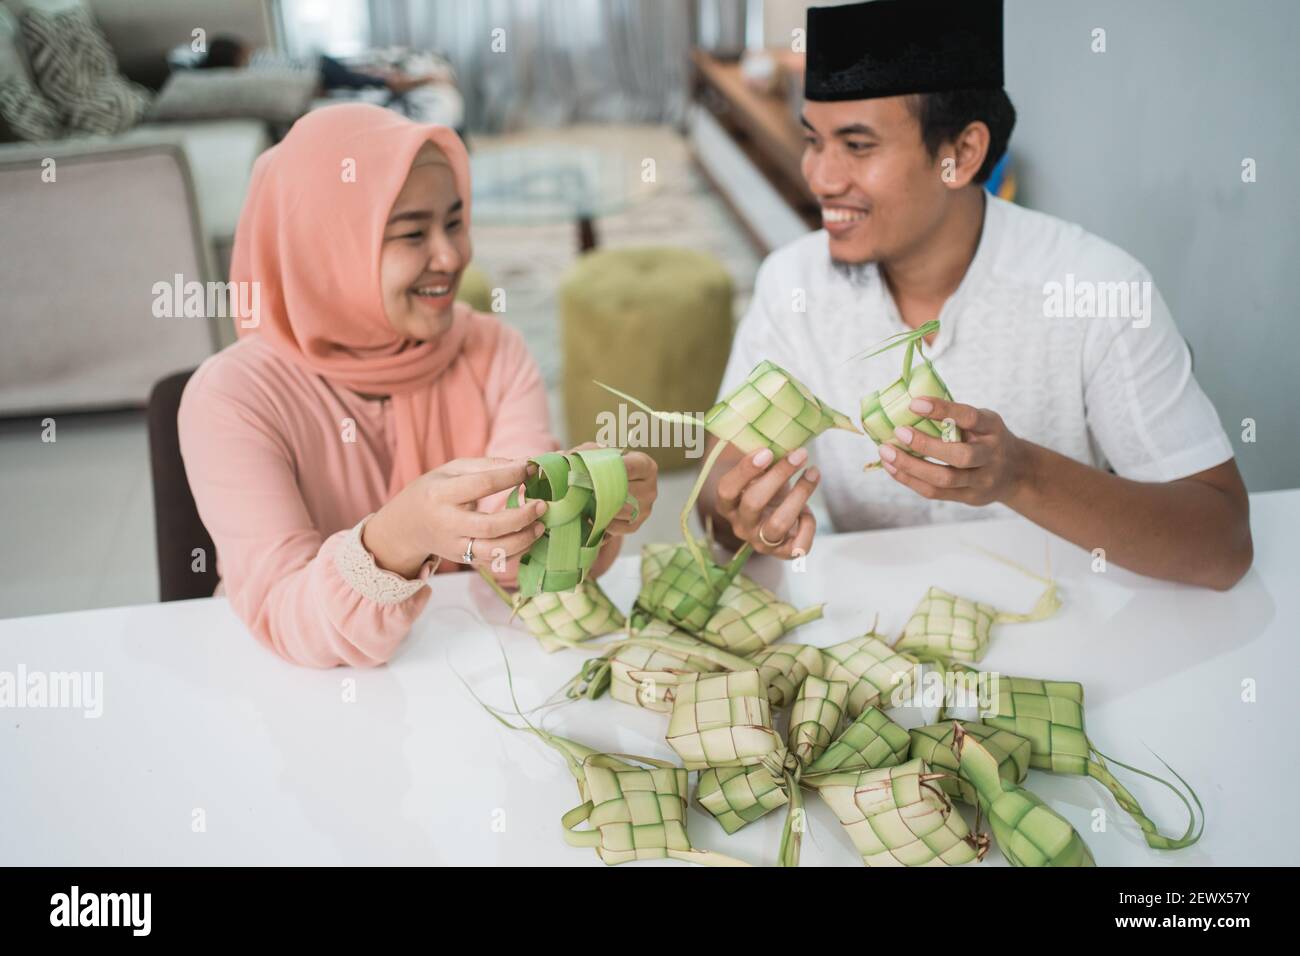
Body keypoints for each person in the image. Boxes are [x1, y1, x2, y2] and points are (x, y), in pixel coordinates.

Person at [697, 0, 1251, 590]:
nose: (821, 177)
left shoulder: (1098, 291)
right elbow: (717, 493)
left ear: (959, 156)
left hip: (1073, 630)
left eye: (857, 146)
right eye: (814, 140)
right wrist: (740, 517)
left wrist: (1021, 475)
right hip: (878, 631)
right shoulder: (791, 285)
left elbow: (1222, 544)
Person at [179, 104, 657, 667]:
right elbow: (285, 615)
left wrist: (579, 508)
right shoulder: (231, 398)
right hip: (296, 699)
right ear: (327, 249)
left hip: (460, 672)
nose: (452, 256)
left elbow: (517, 567)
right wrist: (397, 537)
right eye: (412, 234)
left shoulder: (496, 351)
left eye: (455, 222)